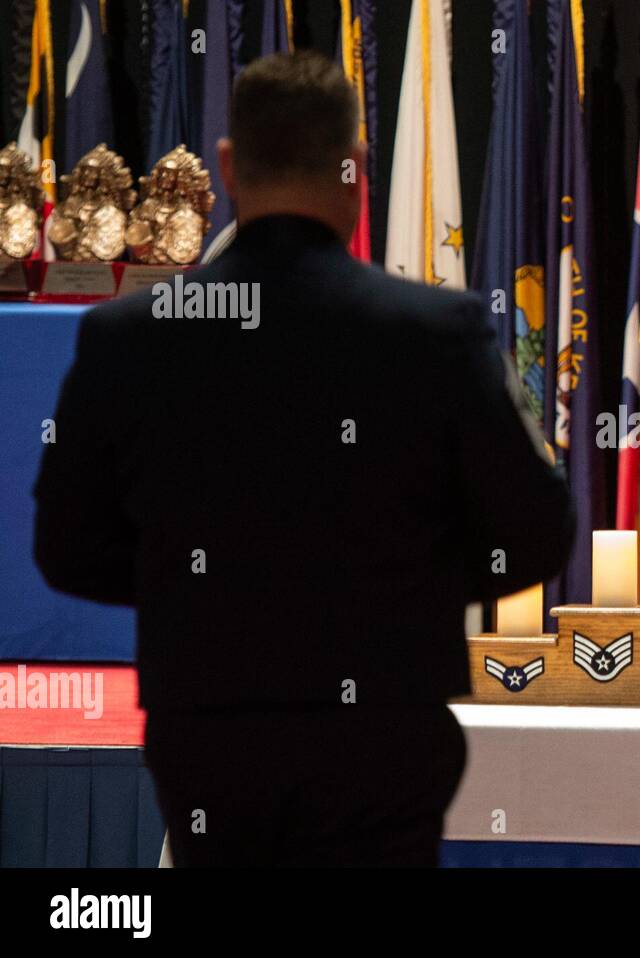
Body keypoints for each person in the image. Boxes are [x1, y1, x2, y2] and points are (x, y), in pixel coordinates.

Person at [32, 51, 575, 866]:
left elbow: (67, 549)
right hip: (384, 737)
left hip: (214, 734)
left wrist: (199, 578)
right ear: (354, 171)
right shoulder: (435, 332)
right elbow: (535, 534)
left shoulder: (130, 338)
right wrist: (404, 582)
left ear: (226, 166)